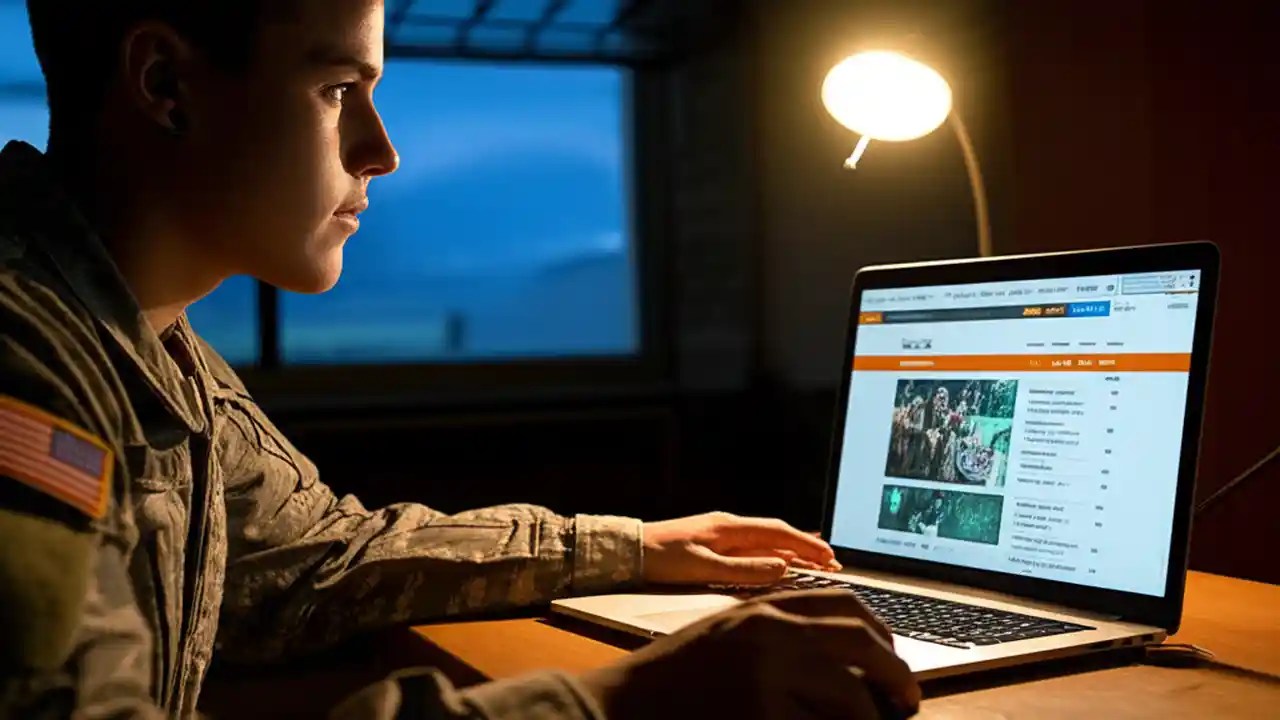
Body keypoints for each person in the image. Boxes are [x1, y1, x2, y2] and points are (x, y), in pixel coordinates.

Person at [0, 1, 920, 718]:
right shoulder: (26, 356)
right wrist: (623, 703)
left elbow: (319, 556)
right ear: (165, 85)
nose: (382, 151)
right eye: (336, 91)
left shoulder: (153, 347)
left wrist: (636, 547)